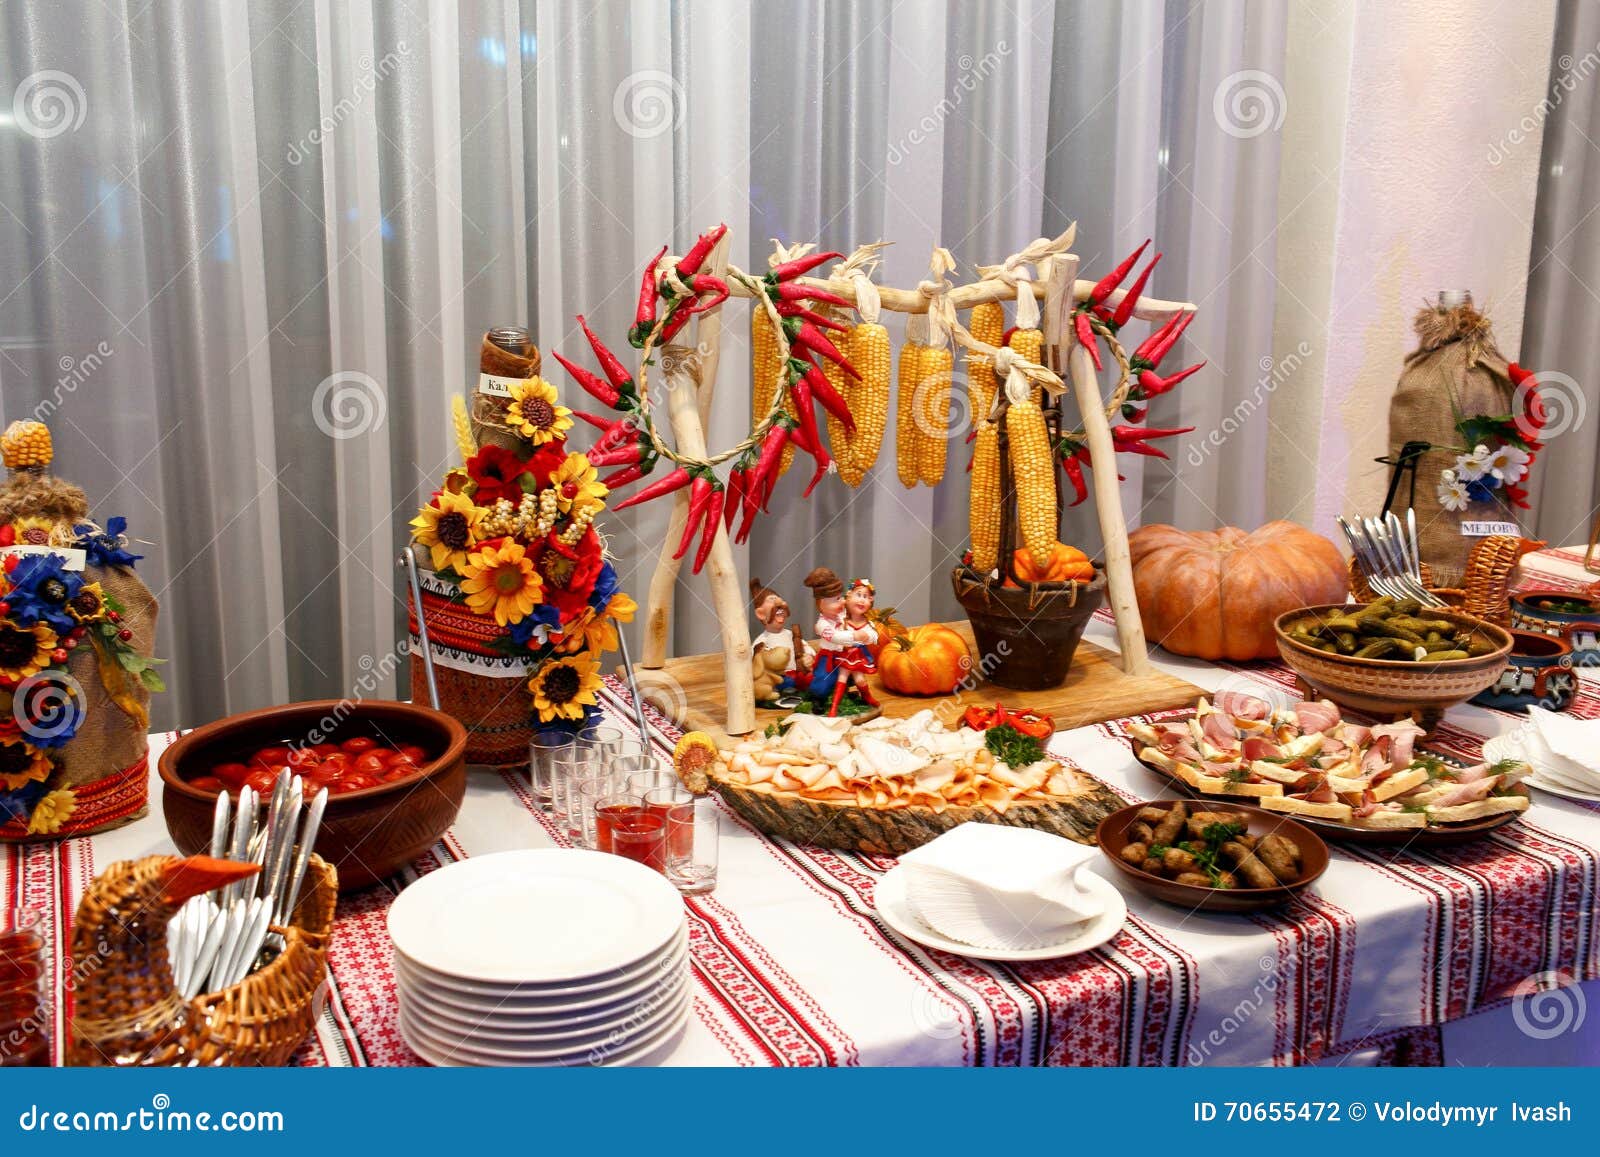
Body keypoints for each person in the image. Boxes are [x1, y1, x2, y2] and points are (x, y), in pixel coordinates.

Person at [803, 567, 878, 716]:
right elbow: (835, 636)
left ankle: (848, 695)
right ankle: (818, 699)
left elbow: (861, 620)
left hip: (844, 656)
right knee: (824, 679)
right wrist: (854, 636)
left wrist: (857, 599)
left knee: (848, 678)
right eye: (837, 599)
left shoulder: (842, 614)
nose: (842, 601)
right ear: (822, 603)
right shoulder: (822, 624)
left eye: (842, 597)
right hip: (829, 657)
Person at [749, 578, 811, 707]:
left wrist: (808, 655)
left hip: (797, 672)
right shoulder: (762, 641)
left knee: (808, 679)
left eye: (778, 598)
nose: (779, 602)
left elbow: (805, 647)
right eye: (771, 599)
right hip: (777, 677)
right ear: (761, 614)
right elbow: (755, 663)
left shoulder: (791, 634)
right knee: (786, 683)